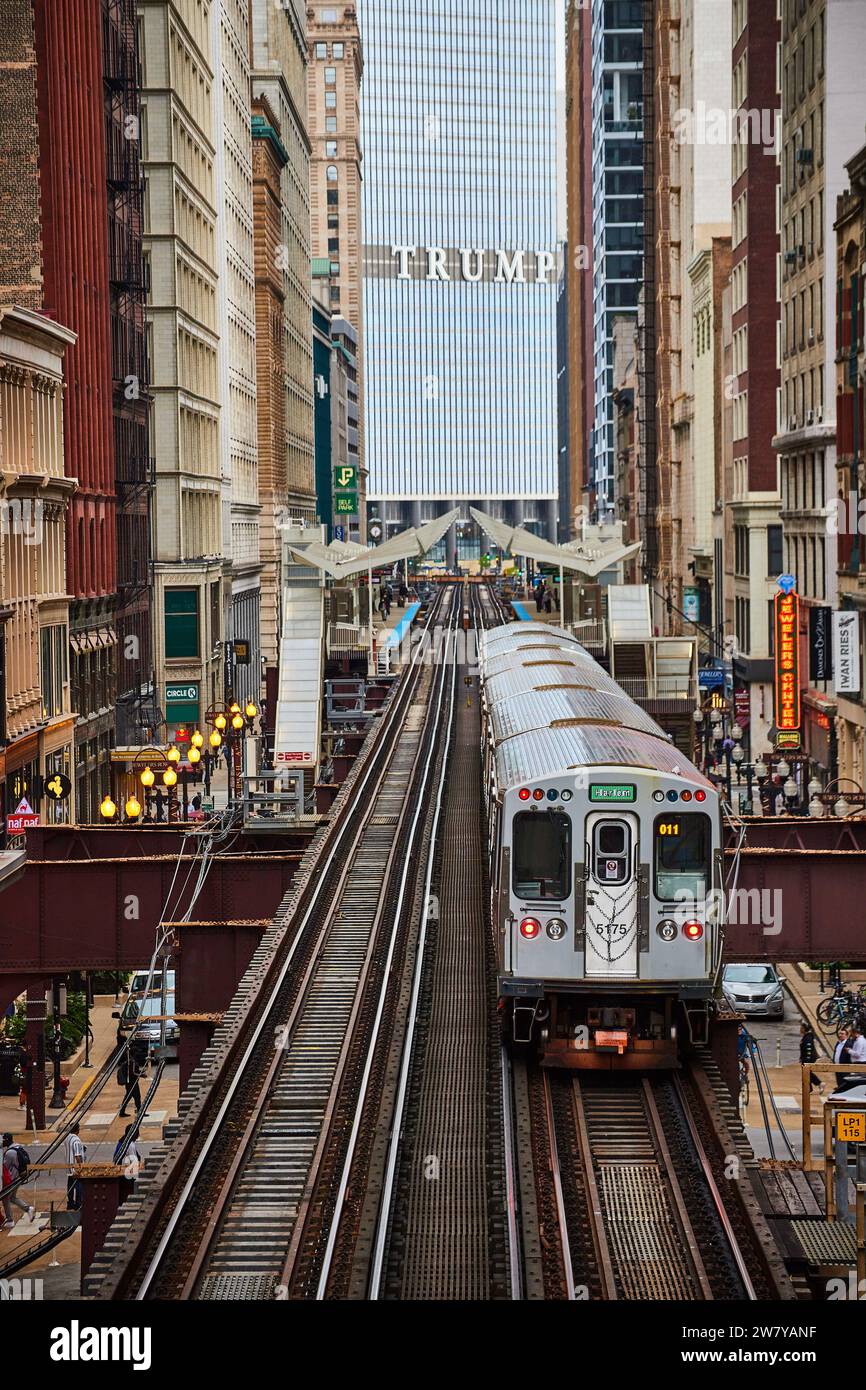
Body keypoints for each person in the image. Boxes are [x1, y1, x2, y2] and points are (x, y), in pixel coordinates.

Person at [1, 1133, 35, 1227]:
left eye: (3, 1141)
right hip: (19, 1176)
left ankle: (10, 1220)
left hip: (12, 1179)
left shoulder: (9, 1153)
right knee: (11, 1197)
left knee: (5, 1198)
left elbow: (4, 1168)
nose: (2, 1143)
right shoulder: (18, 1146)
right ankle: (28, 1209)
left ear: (7, 1140)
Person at [118, 1042, 145, 1117]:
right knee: (136, 1096)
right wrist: (141, 1075)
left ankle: (123, 1111)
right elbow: (132, 1073)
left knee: (129, 1097)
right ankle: (139, 1112)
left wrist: (140, 1072)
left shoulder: (131, 1061)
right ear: (134, 1053)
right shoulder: (132, 1062)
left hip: (130, 1082)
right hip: (132, 1082)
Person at [64, 1123, 85, 1211]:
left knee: (70, 1185)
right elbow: (77, 1155)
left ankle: (70, 1203)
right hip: (75, 1167)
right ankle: (78, 1203)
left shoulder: (67, 1138)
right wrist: (80, 1166)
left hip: (68, 1165)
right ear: (77, 1129)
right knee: (78, 1185)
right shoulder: (76, 1140)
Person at [799, 1021, 821, 1093]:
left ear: (805, 1029)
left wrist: (807, 1060)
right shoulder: (806, 1036)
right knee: (807, 1073)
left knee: (807, 1073)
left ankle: (819, 1083)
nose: (800, 1029)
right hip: (805, 1058)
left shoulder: (808, 1037)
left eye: (801, 1028)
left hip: (808, 1059)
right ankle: (809, 1088)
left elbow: (809, 1049)